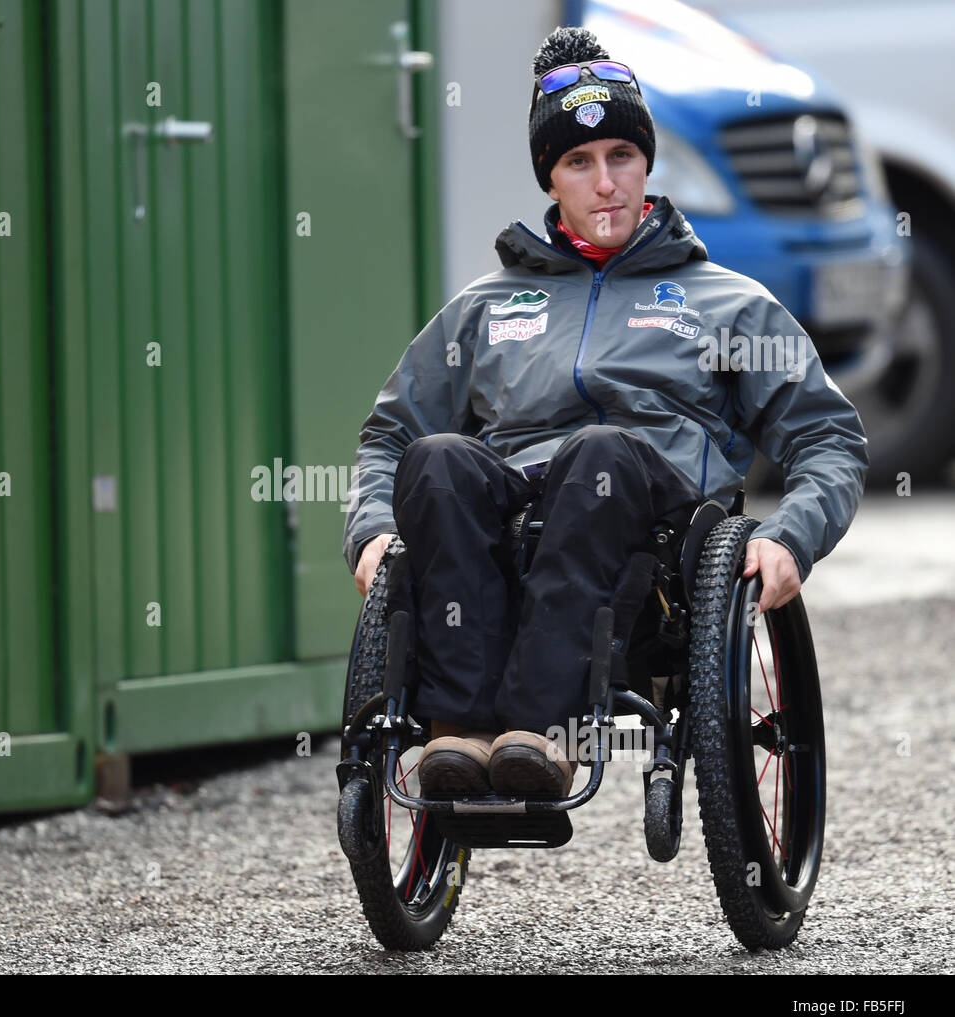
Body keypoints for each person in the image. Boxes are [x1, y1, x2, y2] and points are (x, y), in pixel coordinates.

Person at [340, 26, 868, 798]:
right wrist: (372, 528)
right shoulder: (487, 307)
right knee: (441, 461)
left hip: (653, 532)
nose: (606, 183)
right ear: (550, 180)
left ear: (647, 162)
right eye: (578, 163)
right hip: (518, 518)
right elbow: (391, 434)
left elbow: (826, 437)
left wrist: (793, 536)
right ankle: (459, 734)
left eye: (621, 156)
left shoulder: (727, 303)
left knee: (599, 453)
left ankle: (544, 734)